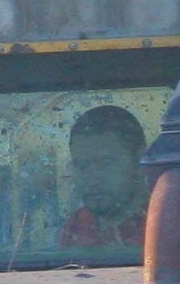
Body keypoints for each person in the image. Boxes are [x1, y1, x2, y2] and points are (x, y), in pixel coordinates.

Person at [59, 104, 148, 248]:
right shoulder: (78, 225)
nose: (92, 178)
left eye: (106, 163)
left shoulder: (171, 219)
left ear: (140, 160)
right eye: (82, 165)